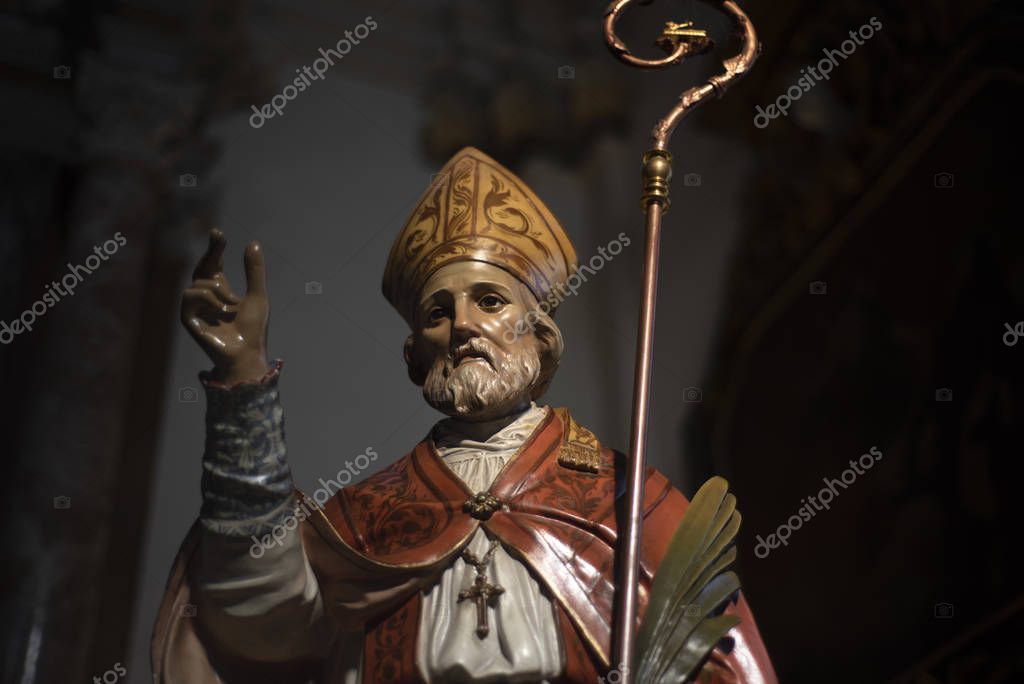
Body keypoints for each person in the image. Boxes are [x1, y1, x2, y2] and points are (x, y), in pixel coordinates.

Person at [152, 147, 777, 683]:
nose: (465, 327)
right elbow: (259, 616)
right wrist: (242, 384)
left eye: (490, 300)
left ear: (541, 336)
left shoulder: (624, 499)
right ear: (414, 355)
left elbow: (720, 659)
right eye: (437, 313)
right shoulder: (369, 515)